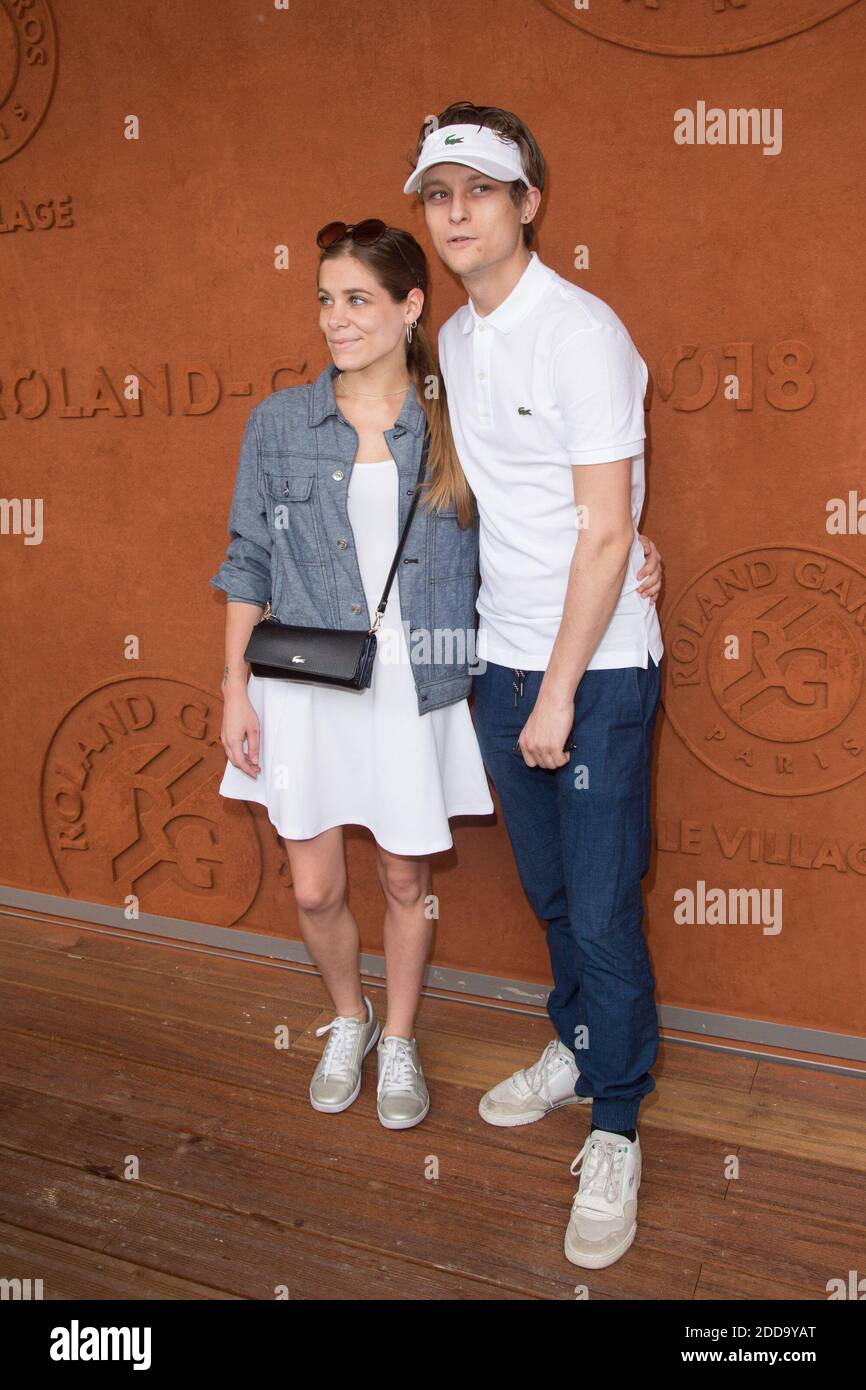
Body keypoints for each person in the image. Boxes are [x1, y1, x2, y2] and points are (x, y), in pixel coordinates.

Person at [209, 218, 664, 1137]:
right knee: (313, 888)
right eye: (326, 300)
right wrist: (231, 686)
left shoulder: (449, 419)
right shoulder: (279, 423)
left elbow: (540, 500)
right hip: (302, 686)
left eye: (359, 300)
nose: (337, 320)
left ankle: (405, 1038)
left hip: (416, 684)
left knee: (408, 882)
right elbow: (247, 558)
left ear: (411, 307)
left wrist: (628, 543)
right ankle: (351, 1019)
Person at [402, 103, 665, 1268]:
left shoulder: (581, 332)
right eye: (436, 194)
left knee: (604, 909)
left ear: (527, 201)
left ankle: (614, 1118)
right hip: (502, 663)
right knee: (554, 897)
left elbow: (604, 537)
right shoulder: (456, 340)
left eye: (478, 190)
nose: (454, 212)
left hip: (590, 671)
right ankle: (574, 1041)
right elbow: (485, 498)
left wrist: (557, 690)